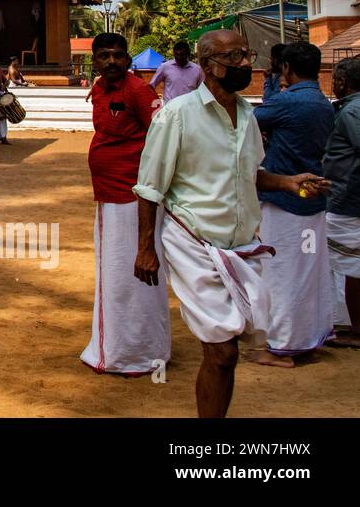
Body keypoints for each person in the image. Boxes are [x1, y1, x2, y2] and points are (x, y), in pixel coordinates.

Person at [133, 30, 322, 417]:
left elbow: (248, 173)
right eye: (232, 56)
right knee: (222, 351)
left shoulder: (249, 115)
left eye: (245, 54)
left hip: (240, 246)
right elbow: (149, 189)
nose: (243, 63)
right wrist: (146, 248)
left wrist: (287, 181)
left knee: (228, 352)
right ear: (206, 65)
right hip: (193, 244)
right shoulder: (176, 115)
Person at [80, 32, 170, 375]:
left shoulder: (138, 91)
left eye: (118, 55)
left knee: (130, 274)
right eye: (104, 56)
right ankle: (129, 347)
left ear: (128, 58)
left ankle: (129, 354)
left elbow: (162, 137)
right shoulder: (100, 90)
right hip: (109, 198)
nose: (112, 61)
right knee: (116, 274)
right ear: (95, 60)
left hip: (133, 199)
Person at [246, 42, 335, 367]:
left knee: (281, 272)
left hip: (286, 200)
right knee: (308, 271)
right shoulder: (323, 103)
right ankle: (307, 337)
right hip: (313, 201)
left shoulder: (288, 103)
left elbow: (251, 119)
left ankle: (283, 345)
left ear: (287, 69)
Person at [322, 57, 360, 348]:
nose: (333, 84)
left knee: (349, 265)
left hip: (348, 199)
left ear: (343, 83)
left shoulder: (351, 113)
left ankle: (355, 328)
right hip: (347, 197)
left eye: (335, 80)